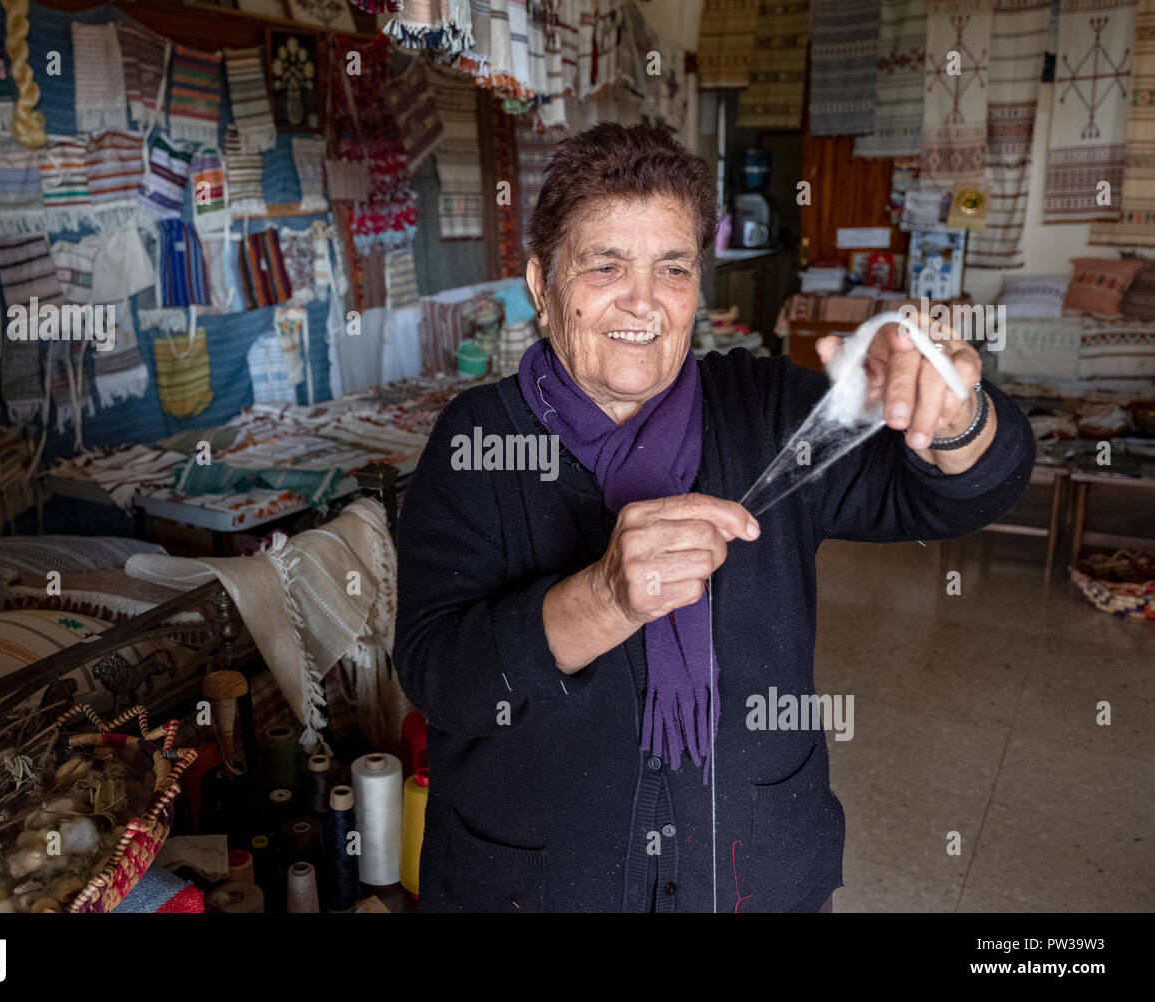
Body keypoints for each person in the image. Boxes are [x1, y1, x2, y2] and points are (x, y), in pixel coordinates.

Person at [393, 123, 1035, 913]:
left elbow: (947, 494)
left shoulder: (764, 412)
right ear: (540, 281)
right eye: (605, 265)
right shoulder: (477, 440)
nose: (642, 300)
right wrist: (604, 597)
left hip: (750, 867)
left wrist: (952, 418)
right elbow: (439, 677)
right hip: (542, 883)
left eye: (673, 267)